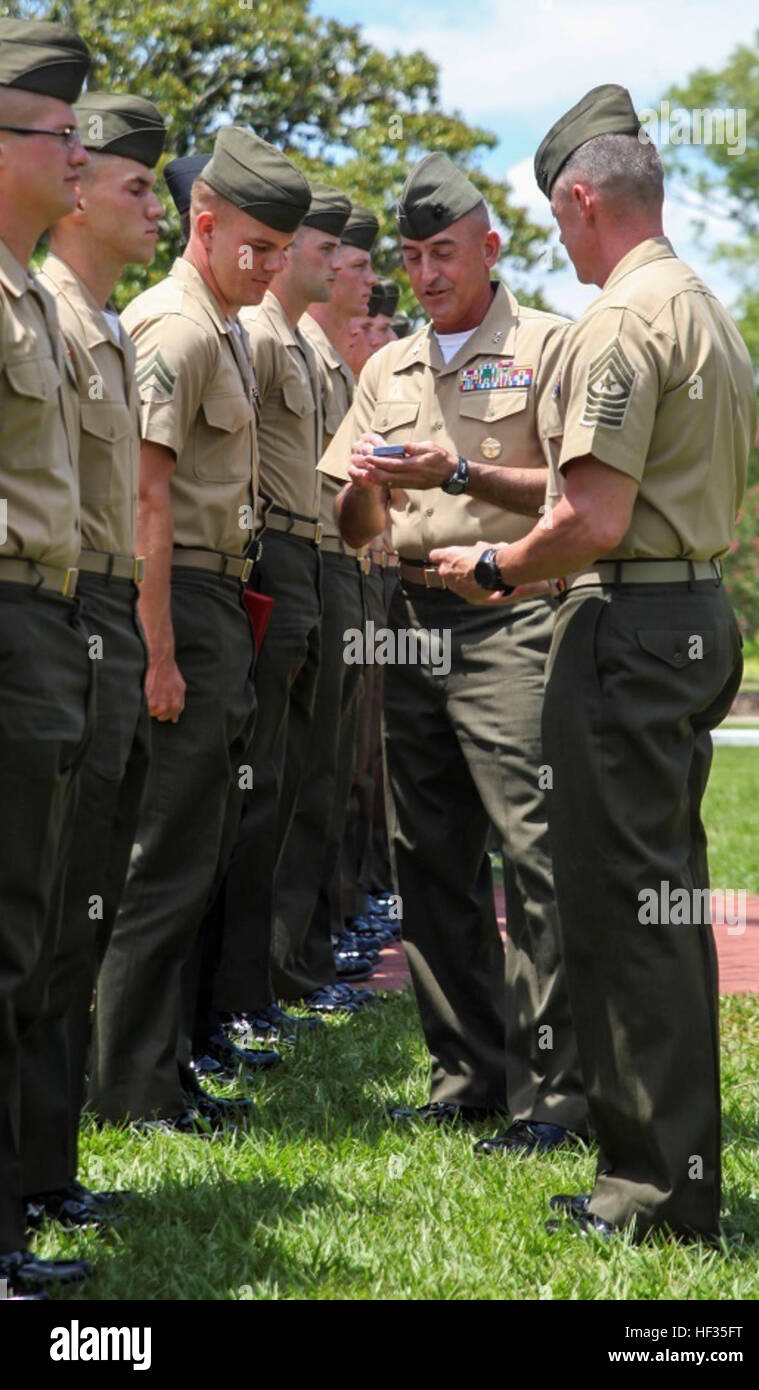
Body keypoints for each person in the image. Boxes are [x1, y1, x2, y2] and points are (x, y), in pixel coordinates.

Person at [431, 85, 756, 1241]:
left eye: (558, 224)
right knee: (656, 899)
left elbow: (595, 517)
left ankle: (656, 1194)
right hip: (688, 615)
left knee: (624, 913)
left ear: (581, 199)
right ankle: (670, 1174)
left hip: (623, 627)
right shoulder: (702, 305)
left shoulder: (620, 319)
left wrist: (498, 568)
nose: (560, 247)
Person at [320, 152, 587, 1153]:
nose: (427, 275)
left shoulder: (549, 346)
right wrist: (363, 485)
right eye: (412, 258)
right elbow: (354, 527)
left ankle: (557, 1092)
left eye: (444, 253)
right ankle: (466, 1074)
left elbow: (574, 490)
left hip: (511, 611)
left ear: (490, 247)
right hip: (404, 610)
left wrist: (460, 466)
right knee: (426, 854)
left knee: (535, 853)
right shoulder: (385, 366)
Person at [87, 126, 310, 1131]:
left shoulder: (220, 324)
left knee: (199, 848)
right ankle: (129, 1090)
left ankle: (161, 1067)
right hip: (179, 602)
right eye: (252, 246)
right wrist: (161, 652)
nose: (267, 267)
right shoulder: (175, 329)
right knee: (164, 858)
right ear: (203, 225)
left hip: (221, 598)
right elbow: (145, 499)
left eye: (279, 249)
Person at [20, 93, 166, 1233]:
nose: (147, 203)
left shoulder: (71, 315)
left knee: (69, 910)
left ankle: (38, 1169)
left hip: (81, 612)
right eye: (132, 181)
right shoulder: (46, 310)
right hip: (53, 612)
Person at [207, 180, 364, 1038]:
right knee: (259, 784)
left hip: (313, 558)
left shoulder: (292, 344)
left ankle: (280, 971)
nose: (335, 263)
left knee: (302, 778)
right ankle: (247, 985)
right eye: (323, 246)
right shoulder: (262, 338)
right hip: (273, 553)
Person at [0, 15, 95, 1298]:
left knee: (23, 931)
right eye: (59, 133)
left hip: (41, 625)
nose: (77, 152)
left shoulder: (25, 289)